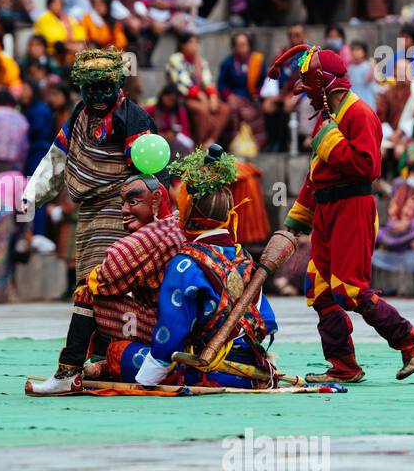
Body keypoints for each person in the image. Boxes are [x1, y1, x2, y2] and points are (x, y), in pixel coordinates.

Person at [275, 43, 414, 383]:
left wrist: (331, 142)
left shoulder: (360, 114)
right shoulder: (327, 117)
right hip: (327, 210)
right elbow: (316, 173)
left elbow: (367, 166)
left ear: (325, 86)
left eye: (310, 89)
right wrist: (297, 219)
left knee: (349, 289)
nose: (306, 96)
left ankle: (411, 340)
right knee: (319, 288)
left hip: (353, 208)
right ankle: (343, 365)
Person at [88, 146, 280, 390]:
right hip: (252, 371)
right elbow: (268, 322)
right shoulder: (245, 259)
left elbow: (169, 336)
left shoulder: (185, 264)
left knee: (118, 351)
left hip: (205, 369)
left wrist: (143, 382)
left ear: (189, 211)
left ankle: (102, 366)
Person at [26, 172, 184, 395]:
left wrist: (96, 280)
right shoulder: (173, 225)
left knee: (87, 294)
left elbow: (104, 278)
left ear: (157, 199)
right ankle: (100, 364)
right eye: (123, 204)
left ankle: (68, 374)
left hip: (162, 328)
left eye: (133, 201)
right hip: (175, 324)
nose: (125, 211)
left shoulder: (153, 236)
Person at [21, 47, 157, 285]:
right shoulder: (78, 115)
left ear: (118, 84)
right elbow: (57, 156)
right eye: (91, 90)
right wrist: (32, 195)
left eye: (105, 88)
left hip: (121, 210)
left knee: (111, 277)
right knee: (86, 281)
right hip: (86, 210)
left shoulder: (134, 117)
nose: (98, 97)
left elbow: (149, 169)